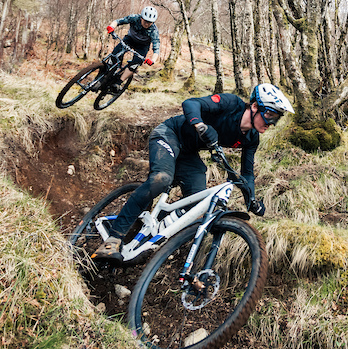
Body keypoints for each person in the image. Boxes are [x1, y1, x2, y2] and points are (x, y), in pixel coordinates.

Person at [92, 83, 295, 262]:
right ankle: (114, 237)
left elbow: (247, 174)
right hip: (169, 135)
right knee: (161, 180)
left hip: (189, 154)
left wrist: (250, 199)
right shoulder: (231, 104)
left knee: (196, 206)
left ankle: (152, 226)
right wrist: (200, 125)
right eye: (269, 114)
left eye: (276, 118)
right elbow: (191, 103)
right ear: (254, 106)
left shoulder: (251, 138)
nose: (271, 122)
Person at [106, 6, 160, 92]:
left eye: (150, 22)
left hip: (142, 46)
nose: (147, 24)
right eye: (145, 21)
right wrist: (111, 27)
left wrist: (152, 60)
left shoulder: (154, 31)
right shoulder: (134, 18)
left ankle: (118, 83)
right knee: (115, 54)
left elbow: (156, 48)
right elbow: (118, 21)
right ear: (141, 18)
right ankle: (107, 72)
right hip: (130, 39)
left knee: (135, 63)